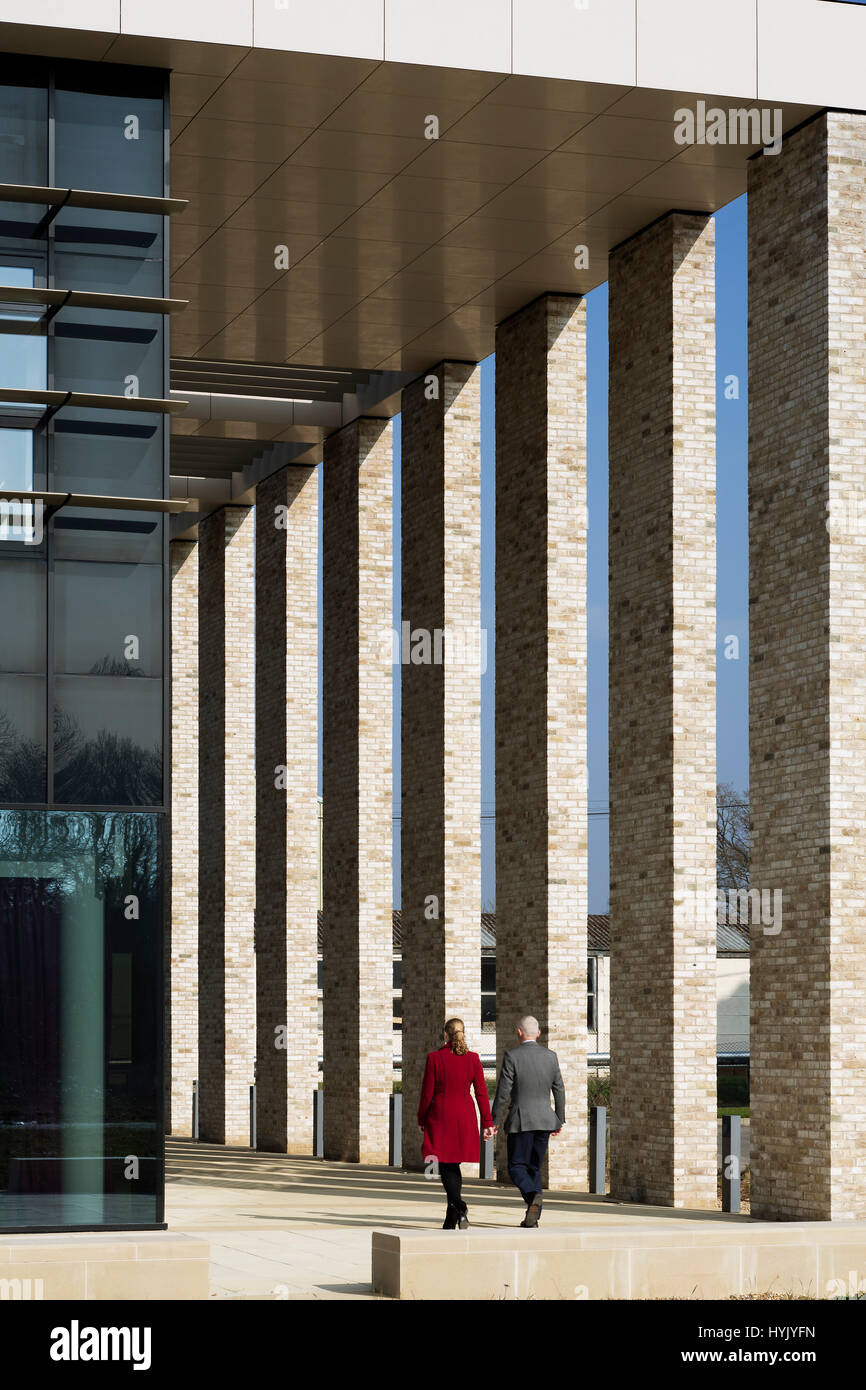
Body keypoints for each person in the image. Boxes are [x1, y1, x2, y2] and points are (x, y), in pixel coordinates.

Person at [488, 1015, 566, 1228]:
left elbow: (503, 1092)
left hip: (521, 1121)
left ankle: (532, 1196)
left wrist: (493, 1121)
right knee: (534, 1167)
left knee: (516, 1167)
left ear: (519, 1032)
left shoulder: (512, 1056)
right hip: (545, 1119)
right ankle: (533, 1216)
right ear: (538, 1034)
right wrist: (559, 1119)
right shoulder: (551, 1056)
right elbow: (559, 1088)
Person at [418, 1017, 494, 1229]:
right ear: (463, 1033)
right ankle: (451, 1218)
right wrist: (487, 1121)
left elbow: (427, 1094)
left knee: (445, 1165)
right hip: (464, 1115)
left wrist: (421, 1118)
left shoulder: (434, 1058)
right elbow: (481, 1093)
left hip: (440, 1116)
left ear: (445, 1034)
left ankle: (459, 1205)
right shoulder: (473, 1059)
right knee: (453, 1165)